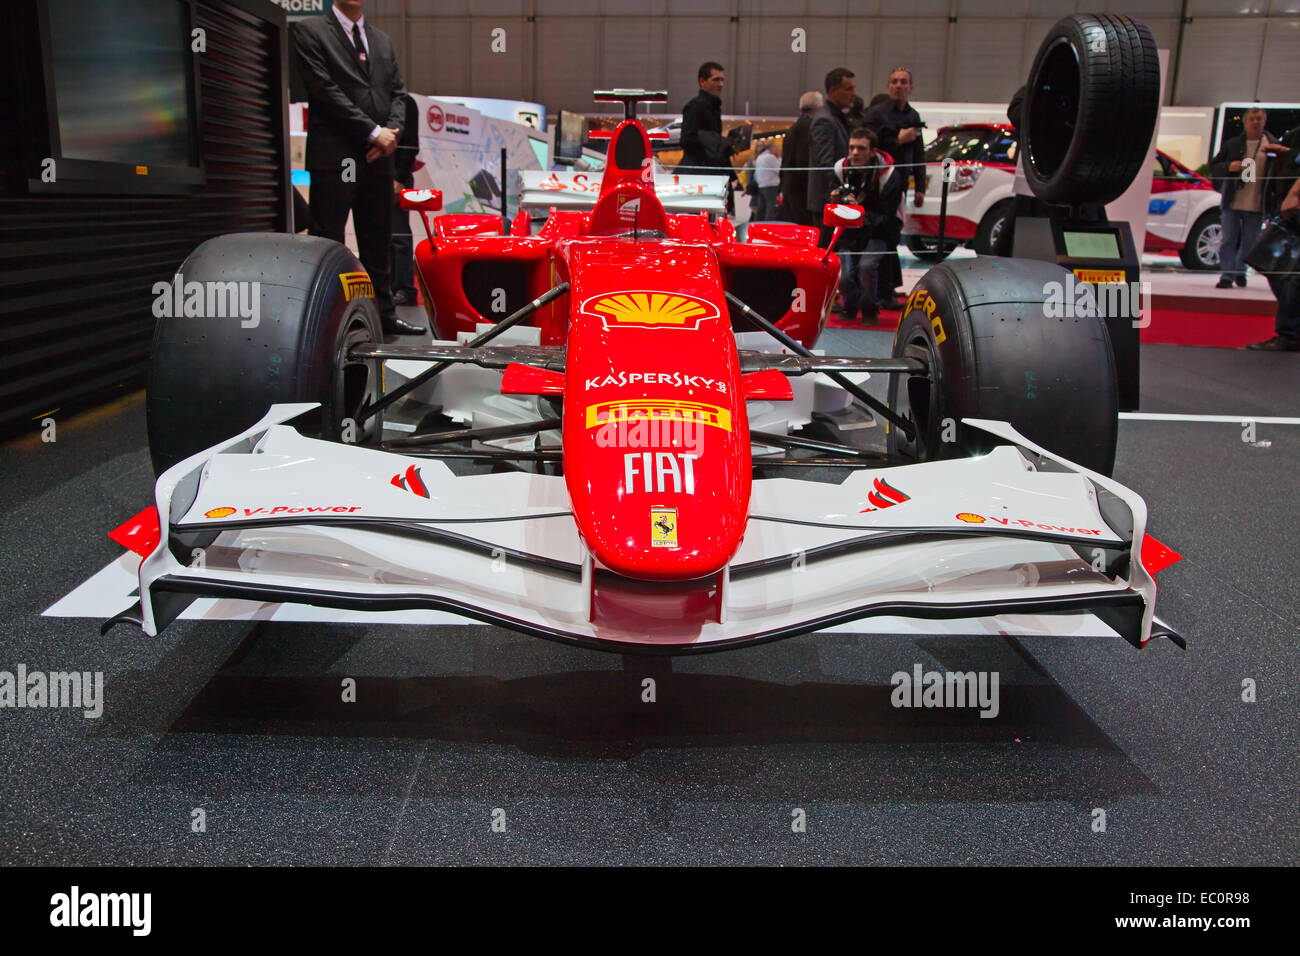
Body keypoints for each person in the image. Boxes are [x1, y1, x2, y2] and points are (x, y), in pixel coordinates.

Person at [292, 0, 422, 335]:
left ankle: (384, 315)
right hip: (335, 157)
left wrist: (390, 135)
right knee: (329, 243)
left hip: (378, 160)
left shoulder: (381, 41)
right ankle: (325, 322)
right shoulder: (310, 32)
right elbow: (324, 91)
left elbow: (398, 94)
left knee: (377, 241)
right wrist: (374, 132)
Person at [864, 68, 925, 303]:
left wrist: (920, 185)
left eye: (904, 82)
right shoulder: (876, 115)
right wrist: (897, 140)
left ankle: (887, 288)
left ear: (911, 87)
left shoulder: (914, 115)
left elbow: (919, 154)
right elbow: (867, 145)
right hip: (876, 186)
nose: (899, 86)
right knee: (878, 233)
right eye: (894, 82)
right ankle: (877, 290)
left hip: (899, 187)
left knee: (893, 234)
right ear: (888, 86)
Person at [831, 127, 902, 324]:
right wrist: (835, 199)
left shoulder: (889, 175)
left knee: (866, 267)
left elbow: (887, 215)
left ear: (873, 151)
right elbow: (830, 203)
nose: (855, 153)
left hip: (878, 231)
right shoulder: (841, 169)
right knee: (843, 274)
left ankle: (870, 310)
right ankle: (850, 306)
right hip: (849, 230)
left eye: (861, 148)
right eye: (852, 147)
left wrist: (858, 211)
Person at [1209, 108, 1277, 289]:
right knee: (1228, 239)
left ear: (1264, 121)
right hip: (1233, 199)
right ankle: (1227, 275)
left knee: (1250, 242)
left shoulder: (1273, 145)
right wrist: (1228, 166)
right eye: (1252, 119)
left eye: (1259, 118)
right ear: (1245, 122)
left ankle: (1240, 271)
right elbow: (1214, 166)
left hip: (1257, 203)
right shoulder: (1232, 145)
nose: (1256, 122)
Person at [1246, 125, 1300, 351]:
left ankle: (1290, 334)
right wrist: (1287, 155)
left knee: (1292, 277)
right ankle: (1291, 330)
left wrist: (1295, 194)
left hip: (1293, 206)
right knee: (1265, 259)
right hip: (1287, 208)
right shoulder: (1296, 132)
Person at [680, 61, 741, 212]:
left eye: (722, 80)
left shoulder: (713, 107)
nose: (720, 84)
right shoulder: (695, 107)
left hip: (709, 177)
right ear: (702, 81)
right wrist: (715, 146)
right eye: (716, 79)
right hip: (699, 178)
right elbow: (686, 140)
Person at [808, 67, 856, 245]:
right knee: (824, 256)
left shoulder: (834, 117)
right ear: (834, 91)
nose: (854, 94)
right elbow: (825, 165)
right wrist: (839, 193)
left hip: (831, 202)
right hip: (826, 204)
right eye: (849, 88)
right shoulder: (825, 120)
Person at [390, 93, 420, 307]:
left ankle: (404, 288)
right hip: (376, 175)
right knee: (379, 235)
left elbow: (411, 144)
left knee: (399, 234)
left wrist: (399, 178)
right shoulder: (377, 102)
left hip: (397, 177)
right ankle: (387, 286)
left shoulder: (406, 103)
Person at [779, 91, 822, 226]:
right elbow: (803, 161)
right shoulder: (810, 128)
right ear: (818, 107)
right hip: (802, 192)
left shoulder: (793, 128)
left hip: (790, 188)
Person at [752, 139, 781, 222]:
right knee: (770, 208)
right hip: (771, 185)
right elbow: (779, 169)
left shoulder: (760, 157)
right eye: (775, 147)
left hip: (761, 185)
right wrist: (778, 158)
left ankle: (758, 224)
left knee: (761, 208)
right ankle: (768, 225)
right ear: (772, 148)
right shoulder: (771, 157)